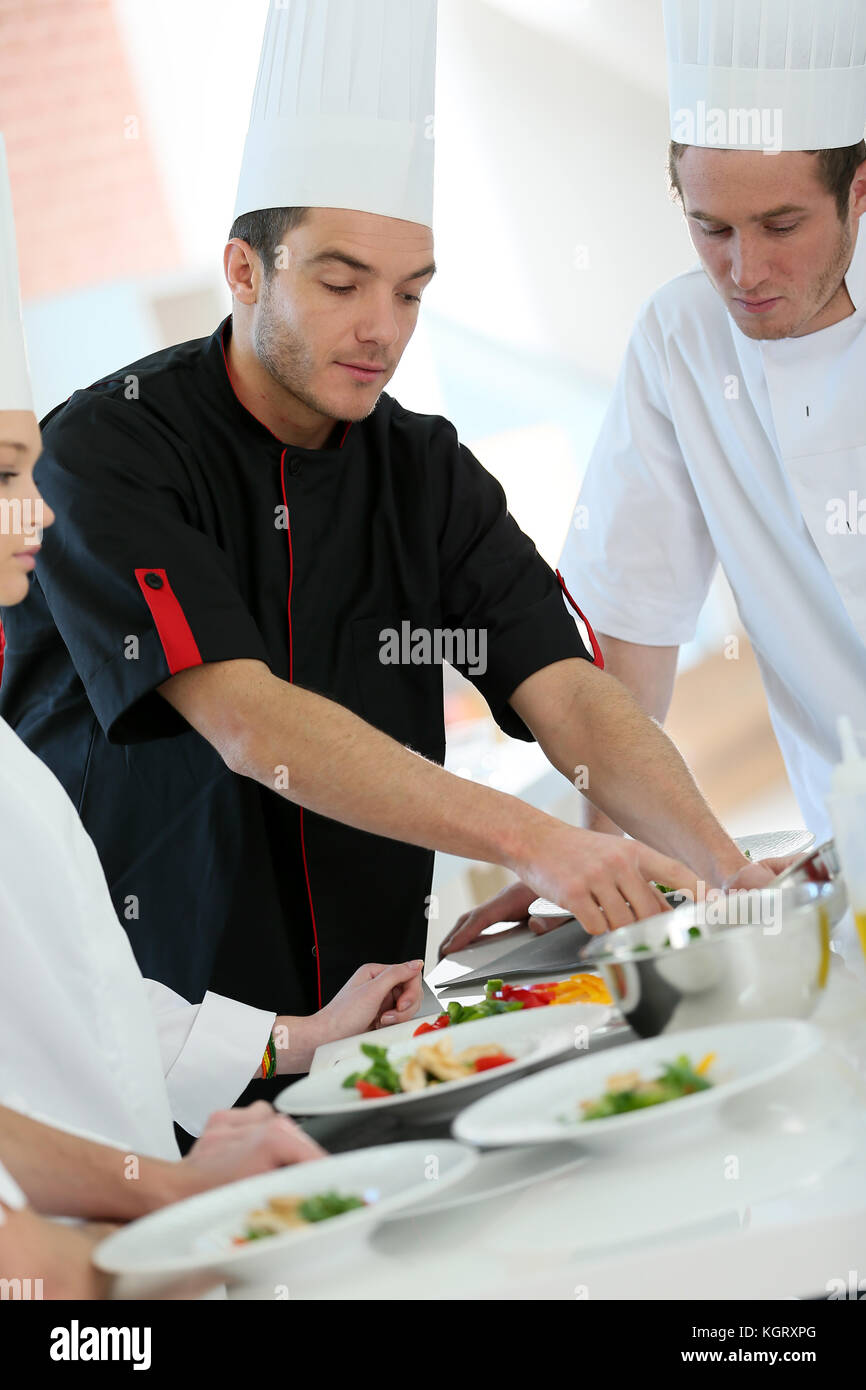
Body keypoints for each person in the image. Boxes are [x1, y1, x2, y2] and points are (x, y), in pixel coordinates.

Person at [0, 1, 778, 1092]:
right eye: (339, 282)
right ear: (242, 270)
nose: (382, 328)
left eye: (409, 293)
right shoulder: (106, 452)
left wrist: (721, 863)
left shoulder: (422, 467)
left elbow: (569, 691)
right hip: (154, 1050)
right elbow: (245, 719)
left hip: (379, 1032)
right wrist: (536, 841)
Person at [0, 131, 422, 1168]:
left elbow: (84, 996)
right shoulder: (119, 451)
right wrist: (158, 1204)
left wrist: (298, 1038)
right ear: (245, 272)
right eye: (8, 476)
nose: (33, 519)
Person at [449, 0, 866, 953]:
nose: (744, 269)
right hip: (852, 862)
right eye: (710, 226)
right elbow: (630, 642)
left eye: (780, 224)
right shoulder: (680, 340)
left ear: (858, 191)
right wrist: (585, 860)